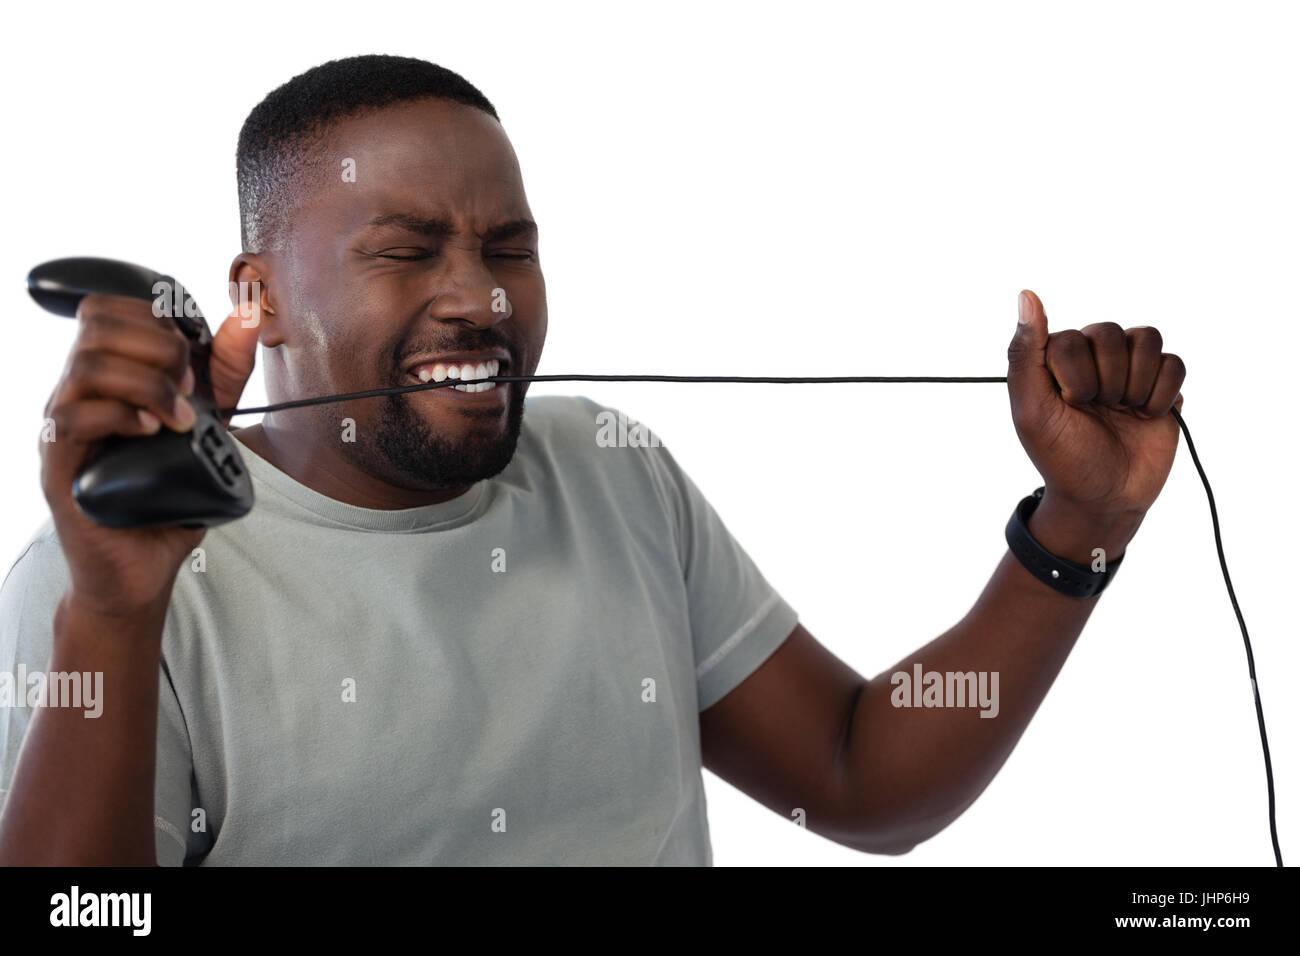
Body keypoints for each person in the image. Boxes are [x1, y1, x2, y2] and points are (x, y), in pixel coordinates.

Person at [0, 55, 1186, 865]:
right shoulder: (107, 571)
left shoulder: (608, 471)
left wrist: (1082, 519)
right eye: (408, 250)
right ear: (257, 293)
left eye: (508, 247)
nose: (478, 297)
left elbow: (857, 773)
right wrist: (114, 609)